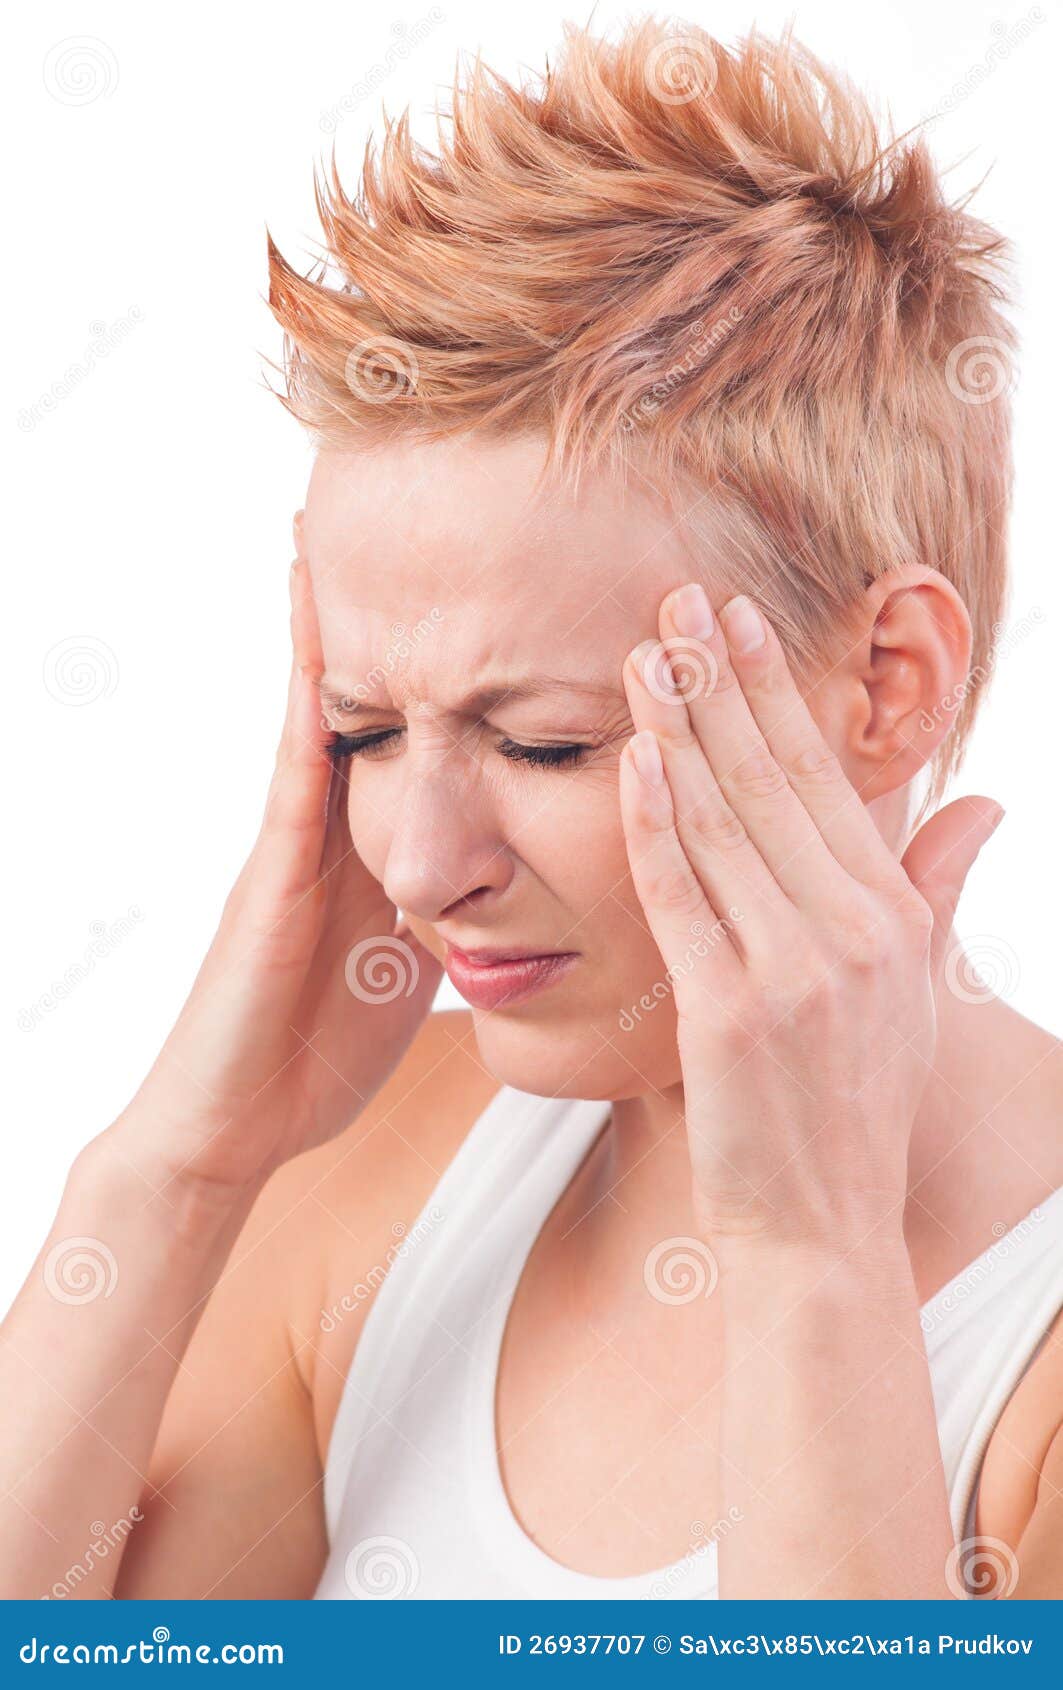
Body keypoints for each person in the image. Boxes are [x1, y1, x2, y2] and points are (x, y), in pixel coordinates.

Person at [3, 18, 1061, 1602]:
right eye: (363, 728)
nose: (420, 870)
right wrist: (172, 1167)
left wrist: (812, 1258)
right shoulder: (382, 1161)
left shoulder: (1025, 1352)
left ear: (888, 682)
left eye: (547, 745)